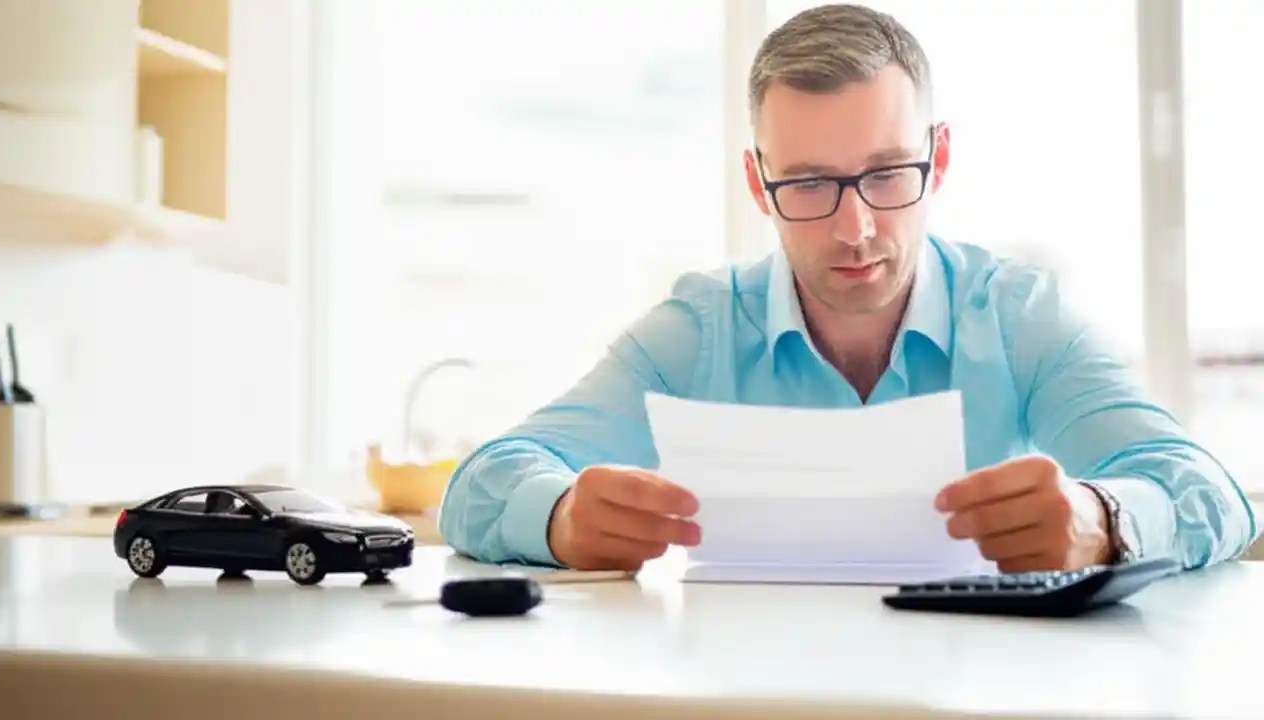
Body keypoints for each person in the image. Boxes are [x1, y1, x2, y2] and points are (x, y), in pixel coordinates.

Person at [438, 3, 1257, 573]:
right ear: (758, 186)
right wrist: (560, 517)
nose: (855, 227)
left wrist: (1103, 521)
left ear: (937, 160)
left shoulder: (1017, 317)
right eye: (809, 185)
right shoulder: (696, 329)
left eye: (887, 174)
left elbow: (1212, 490)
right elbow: (484, 481)